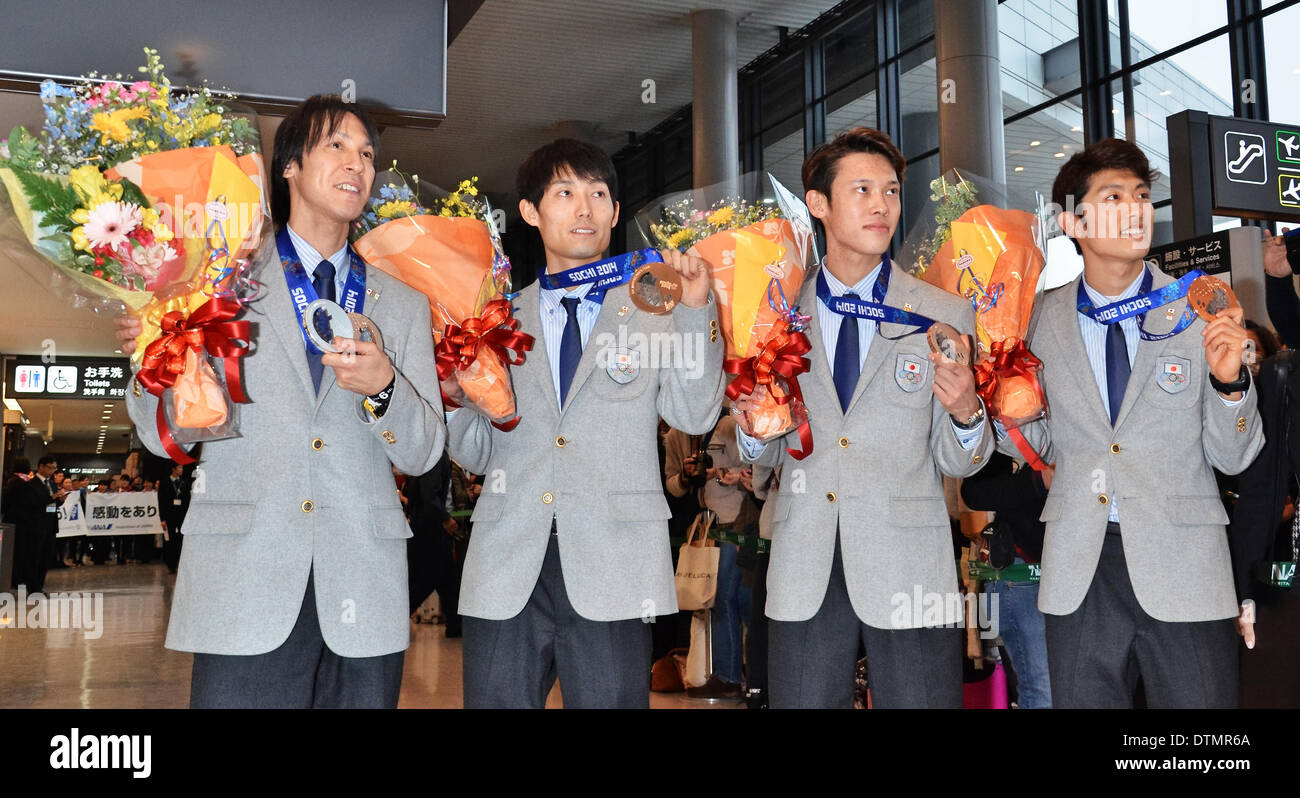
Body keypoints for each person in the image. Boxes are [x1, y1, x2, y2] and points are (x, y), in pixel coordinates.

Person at [117, 94, 446, 708]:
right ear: (289, 164)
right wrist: (156, 361)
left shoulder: (403, 304)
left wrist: (384, 390)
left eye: (368, 153)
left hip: (363, 581)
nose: (358, 163)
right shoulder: (214, 278)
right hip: (246, 575)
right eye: (337, 146)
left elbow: (426, 452)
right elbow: (159, 431)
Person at [444, 138, 726, 708]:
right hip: (508, 562)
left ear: (615, 213)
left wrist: (697, 311)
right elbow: (476, 452)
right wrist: (452, 399)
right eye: (565, 192)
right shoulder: (493, 320)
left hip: (615, 566)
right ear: (530, 211)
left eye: (599, 194)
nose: (584, 209)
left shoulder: (657, 309)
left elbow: (692, 413)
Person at [735, 127, 993, 708]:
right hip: (806, 563)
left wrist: (965, 411)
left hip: (910, 564)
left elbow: (965, 461)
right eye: (862, 189)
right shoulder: (774, 315)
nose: (882, 204)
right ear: (819, 204)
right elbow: (760, 466)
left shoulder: (943, 313)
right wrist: (754, 433)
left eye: (892, 190)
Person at [1007, 138, 1264, 708]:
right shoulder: (1037, 319)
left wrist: (1229, 383)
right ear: (1073, 221)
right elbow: (1038, 443)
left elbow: (1235, 457)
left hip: (1185, 563)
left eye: (1143, 196)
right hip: (1081, 566)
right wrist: (1001, 408)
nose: (1135, 209)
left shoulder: (1201, 305)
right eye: (1114, 196)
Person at [960, 452, 1053, 708]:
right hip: (1021, 575)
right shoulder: (1003, 423)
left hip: (1066, 573)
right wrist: (1039, 480)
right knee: (1043, 691)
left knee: (1058, 688)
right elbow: (974, 492)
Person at [7, 455, 65, 592]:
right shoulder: (30, 485)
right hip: (35, 527)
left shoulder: (51, 484)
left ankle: (39, 584)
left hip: (50, 526)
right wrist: (50, 498)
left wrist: (59, 500)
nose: (52, 471)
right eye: (50, 468)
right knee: (34, 558)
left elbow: (51, 504)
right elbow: (30, 505)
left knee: (45, 558)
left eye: (54, 468)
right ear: (41, 467)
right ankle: (34, 588)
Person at [157, 463, 190, 574]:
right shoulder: (164, 482)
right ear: (173, 469)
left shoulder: (184, 482)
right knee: (169, 540)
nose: (182, 469)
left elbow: (187, 500)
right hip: (169, 516)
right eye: (180, 467)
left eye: (182, 467)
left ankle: (179, 563)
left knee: (180, 540)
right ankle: (170, 564)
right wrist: (162, 518)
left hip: (181, 516)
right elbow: (161, 502)